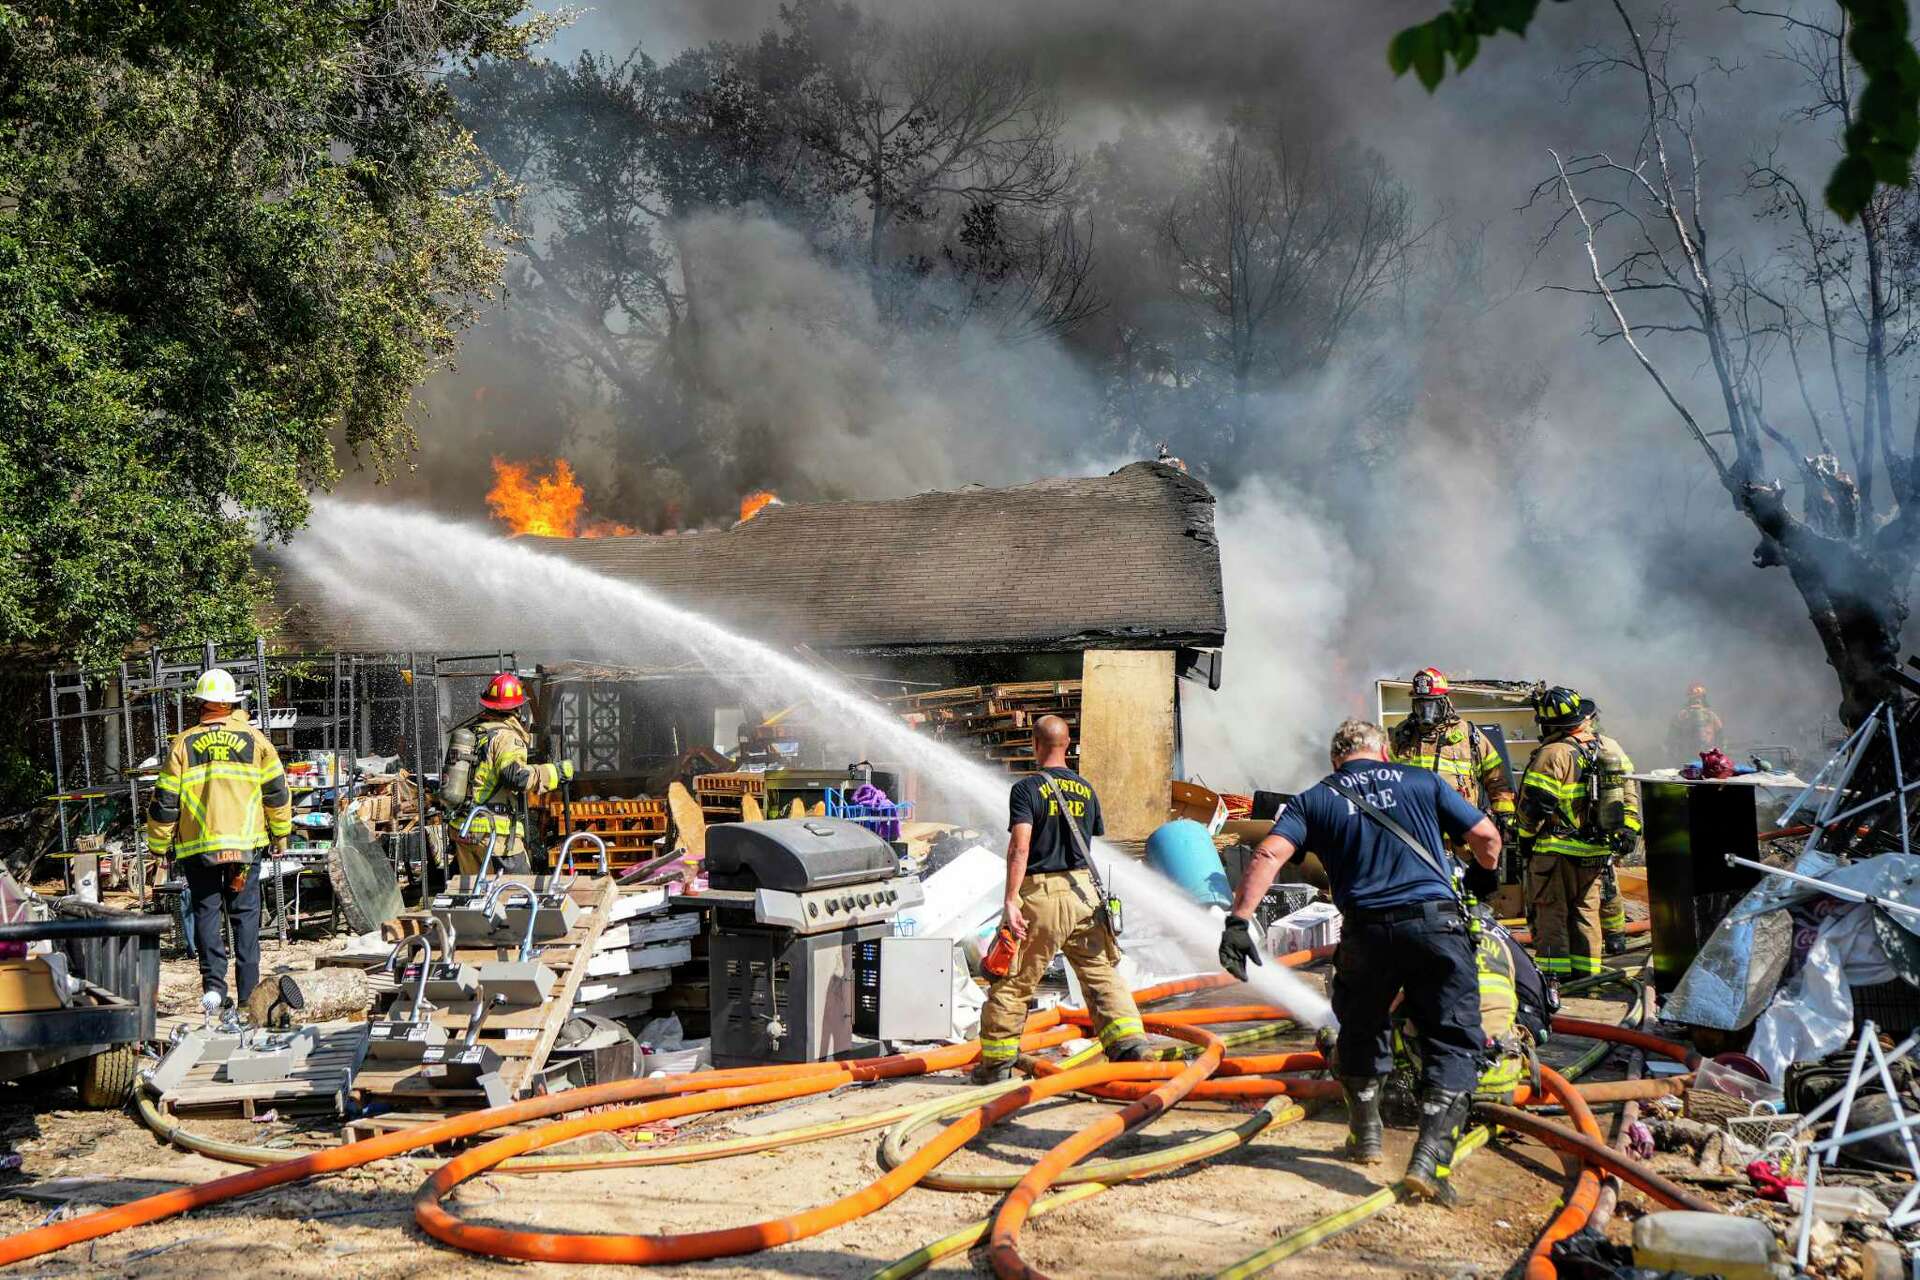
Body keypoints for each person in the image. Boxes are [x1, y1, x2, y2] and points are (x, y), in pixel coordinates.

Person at [1219, 719, 1503, 1203]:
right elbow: (1487, 836)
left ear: (1335, 760)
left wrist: (1239, 923)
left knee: (1360, 1027)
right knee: (1452, 1038)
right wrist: (1483, 877)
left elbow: (1267, 854)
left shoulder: (1314, 799)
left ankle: (1365, 1135)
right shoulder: (1423, 780)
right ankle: (1430, 1158)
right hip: (1436, 926)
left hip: (1366, 932)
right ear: (1384, 751)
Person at [974, 715, 1150, 1084]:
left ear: (1036, 745)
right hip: (1084, 892)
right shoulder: (1087, 789)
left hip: (1043, 894)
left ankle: (995, 1068)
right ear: (1067, 745)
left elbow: (1019, 846)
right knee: (1101, 973)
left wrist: (1010, 900)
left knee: (1015, 979)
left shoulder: (1026, 790)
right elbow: (1088, 841)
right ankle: (1131, 1047)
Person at [145, 669, 291, 1009]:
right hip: (244, 848)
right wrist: (281, 833)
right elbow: (277, 792)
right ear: (232, 703)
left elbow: (165, 800)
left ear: (200, 703)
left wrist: (157, 845)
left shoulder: (183, 743)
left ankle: (213, 989)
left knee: (207, 913)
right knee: (245, 917)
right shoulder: (256, 741)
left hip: (200, 849)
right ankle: (250, 997)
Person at [1517, 687, 1641, 992]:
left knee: (1551, 915)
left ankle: (1553, 983)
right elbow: (1628, 795)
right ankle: (1589, 982)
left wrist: (1524, 839)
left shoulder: (1552, 754)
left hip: (1554, 853)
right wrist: (1629, 829)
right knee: (1587, 916)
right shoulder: (1608, 748)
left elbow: (1533, 808)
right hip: (1596, 852)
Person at [1389, 667, 1516, 866]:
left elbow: (1498, 780)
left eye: (1431, 705)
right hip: (1416, 837)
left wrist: (1504, 817)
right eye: (1421, 705)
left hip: (1462, 839)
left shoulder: (1468, 736)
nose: (1426, 713)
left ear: (1445, 703)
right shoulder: (1401, 737)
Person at [448, 672, 572, 877]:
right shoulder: (506, 737)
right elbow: (516, 777)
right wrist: (555, 772)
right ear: (516, 708)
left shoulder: (473, 733)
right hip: (496, 835)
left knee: (473, 895)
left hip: (463, 828)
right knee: (519, 894)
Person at [1667, 681, 1725, 764]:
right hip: (1686, 755)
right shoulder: (1682, 715)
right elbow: (1671, 738)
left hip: (1707, 755)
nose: (1697, 701)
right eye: (1695, 698)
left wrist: (1719, 754)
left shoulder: (1711, 716)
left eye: (1699, 698)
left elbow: (1720, 737)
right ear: (1690, 699)